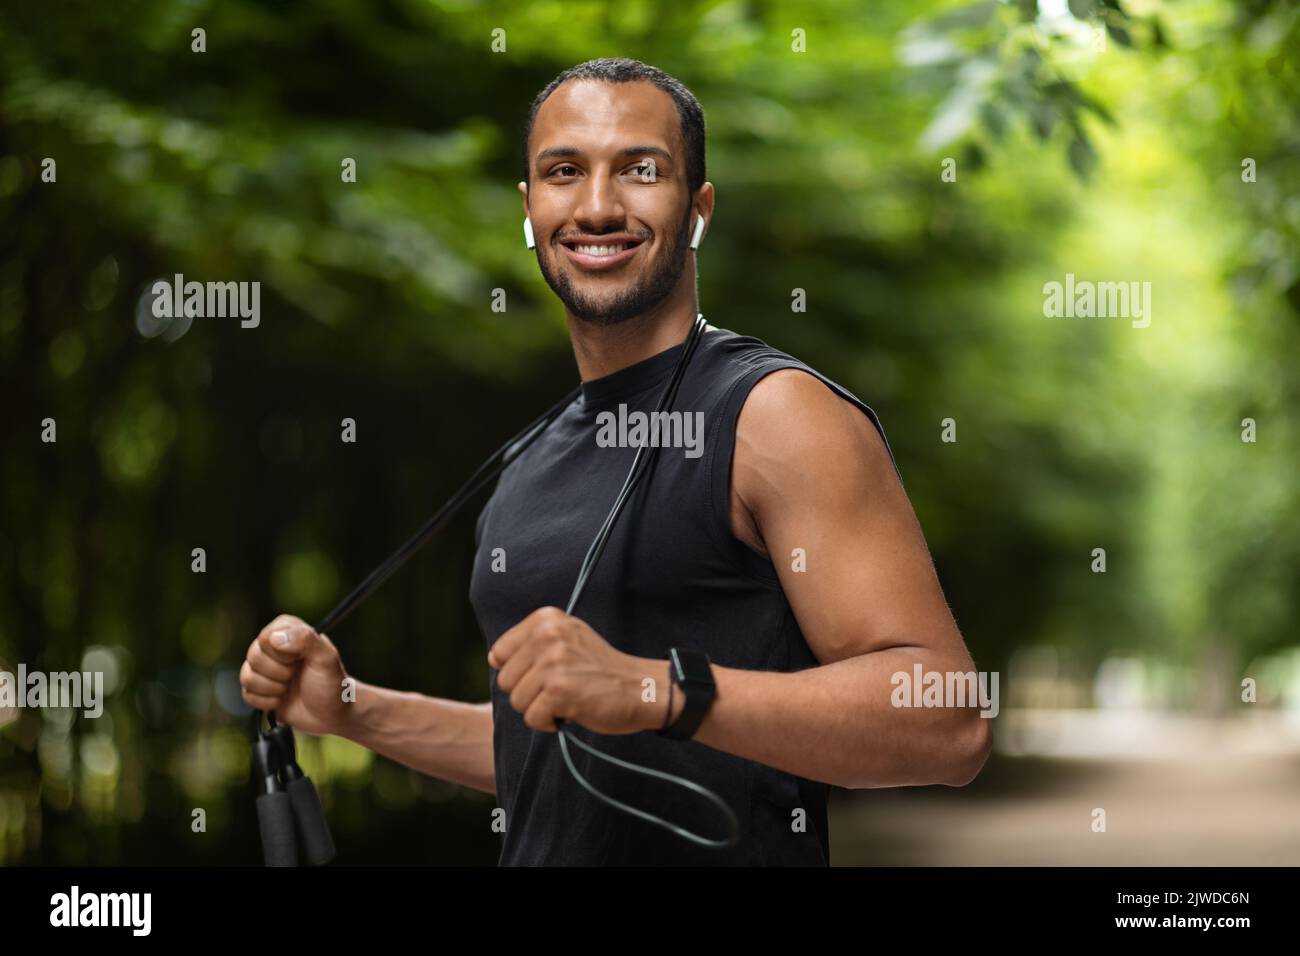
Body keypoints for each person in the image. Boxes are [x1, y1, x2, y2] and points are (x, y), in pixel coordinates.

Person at [239, 57, 991, 866]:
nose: (597, 207)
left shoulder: (775, 414)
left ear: (697, 208)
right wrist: (354, 709)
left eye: (640, 170)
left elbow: (949, 723)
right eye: (564, 173)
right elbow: (545, 758)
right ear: (529, 210)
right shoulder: (528, 463)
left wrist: (652, 689)